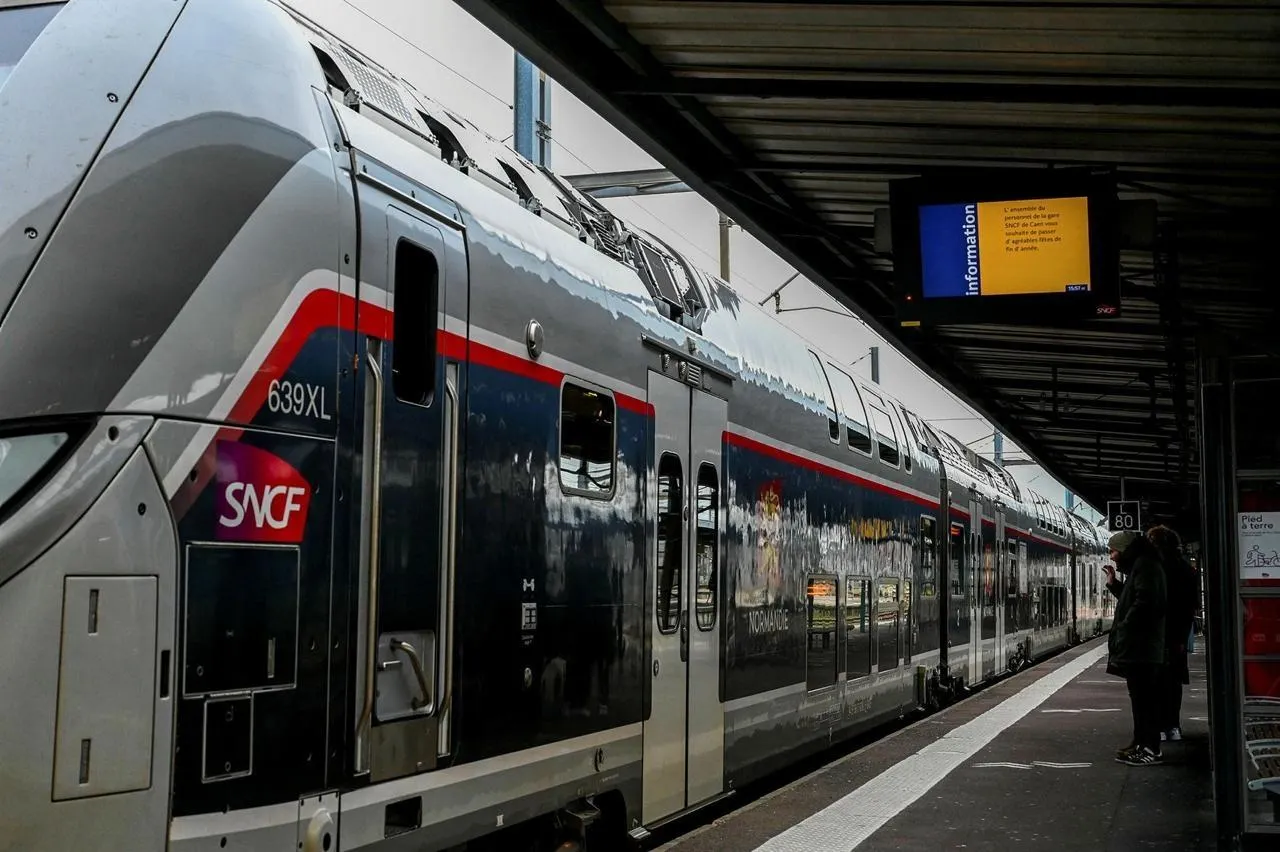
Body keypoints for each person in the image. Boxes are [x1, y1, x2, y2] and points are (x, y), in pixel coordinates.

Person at [1103, 530, 1168, 766]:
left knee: (1145, 701)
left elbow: (1145, 602)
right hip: (1140, 646)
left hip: (1143, 646)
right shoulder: (1141, 567)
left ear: (1126, 550)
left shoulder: (1146, 567)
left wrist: (1125, 627)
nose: (1112, 556)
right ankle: (1141, 743)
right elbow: (1134, 598)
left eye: (1114, 551)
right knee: (1140, 700)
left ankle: (1150, 748)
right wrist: (1114, 585)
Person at [1149, 525, 1195, 742]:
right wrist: (1182, 636)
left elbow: (1145, 601)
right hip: (1177, 636)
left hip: (1156, 636)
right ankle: (1173, 726)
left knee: (1154, 683)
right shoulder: (1186, 569)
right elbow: (1190, 606)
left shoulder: (1154, 569)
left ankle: (1159, 726)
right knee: (1173, 684)